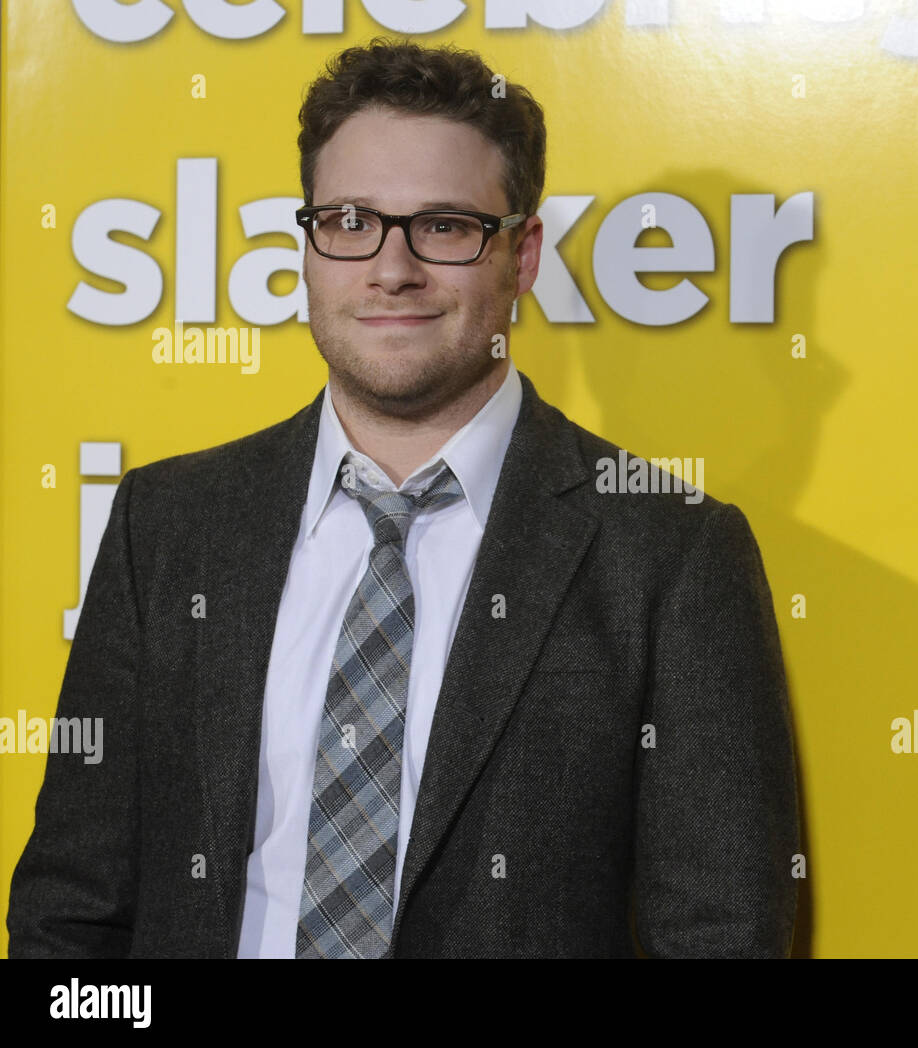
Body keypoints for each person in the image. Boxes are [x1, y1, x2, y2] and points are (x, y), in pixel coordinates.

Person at [7, 39, 799, 959]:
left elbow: (720, 937)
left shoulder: (669, 555)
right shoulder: (167, 525)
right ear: (306, 244)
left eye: (447, 226)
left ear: (523, 254)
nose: (392, 269)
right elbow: (69, 912)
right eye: (349, 220)